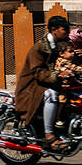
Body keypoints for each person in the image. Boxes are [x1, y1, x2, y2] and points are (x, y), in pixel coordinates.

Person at [15, 15, 72, 147]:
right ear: (54, 30)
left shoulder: (62, 44)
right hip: (34, 86)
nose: (68, 32)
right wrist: (57, 75)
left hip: (50, 83)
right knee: (51, 95)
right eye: (65, 29)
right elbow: (38, 72)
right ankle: (49, 134)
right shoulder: (39, 48)